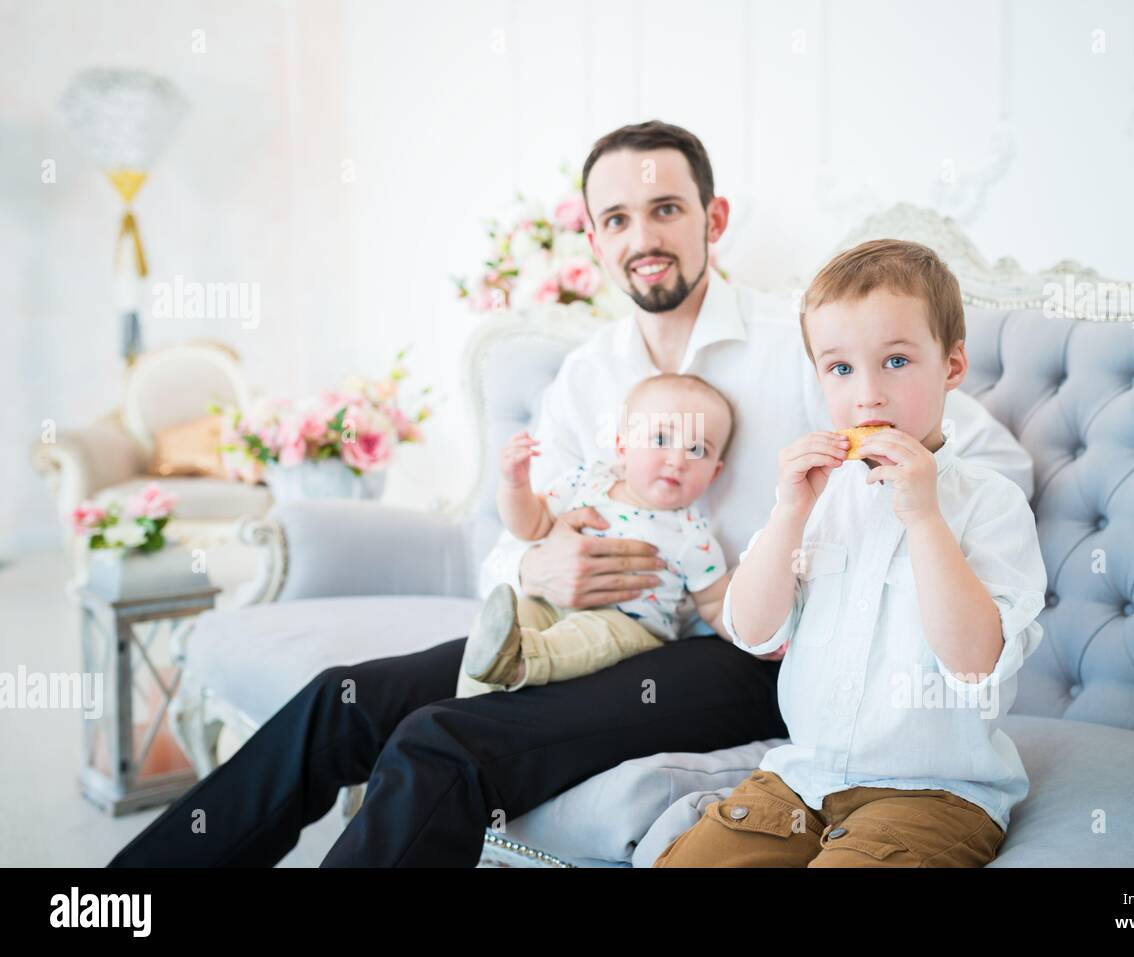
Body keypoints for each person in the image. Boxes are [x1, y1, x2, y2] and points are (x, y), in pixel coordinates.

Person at [109, 121, 1034, 868]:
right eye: (618, 218)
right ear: (594, 238)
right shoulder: (590, 373)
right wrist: (537, 557)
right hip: (601, 627)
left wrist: (840, 532)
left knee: (444, 740)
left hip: (738, 653)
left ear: (712, 218)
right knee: (341, 697)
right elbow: (511, 536)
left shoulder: (808, 349)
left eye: (665, 208)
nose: (644, 236)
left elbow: (967, 454)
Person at [654, 239, 1047, 867]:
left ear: (951, 366)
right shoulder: (816, 500)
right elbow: (751, 631)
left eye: (895, 360)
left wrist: (923, 517)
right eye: (840, 369)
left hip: (934, 794)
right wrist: (788, 515)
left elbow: (975, 665)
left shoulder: (989, 504)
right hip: (802, 780)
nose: (867, 395)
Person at [460, 372, 735, 694]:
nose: (677, 459)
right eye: (661, 440)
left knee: (594, 631)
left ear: (715, 472)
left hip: (631, 626)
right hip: (551, 602)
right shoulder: (588, 481)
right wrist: (514, 485)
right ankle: (472, 698)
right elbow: (529, 525)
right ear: (622, 446)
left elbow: (716, 604)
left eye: (698, 450)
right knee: (514, 618)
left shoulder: (693, 537)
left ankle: (523, 661)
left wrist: (754, 639)